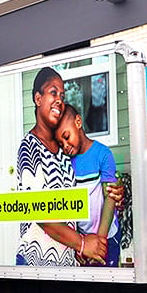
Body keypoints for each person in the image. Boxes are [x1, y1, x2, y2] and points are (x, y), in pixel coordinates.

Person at [16, 67, 108, 267]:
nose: (59, 99)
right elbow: (39, 213)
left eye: (62, 95)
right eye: (53, 92)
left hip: (66, 265)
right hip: (36, 264)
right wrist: (83, 244)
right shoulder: (29, 147)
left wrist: (78, 248)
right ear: (37, 99)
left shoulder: (63, 151)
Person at [56, 104, 121, 267]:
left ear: (78, 122)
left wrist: (100, 241)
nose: (65, 146)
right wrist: (81, 243)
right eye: (60, 143)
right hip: (82, 241)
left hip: (107, 237)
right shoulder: (65, 162)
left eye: (66, 136)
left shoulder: (103, 154)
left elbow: (110, 197)